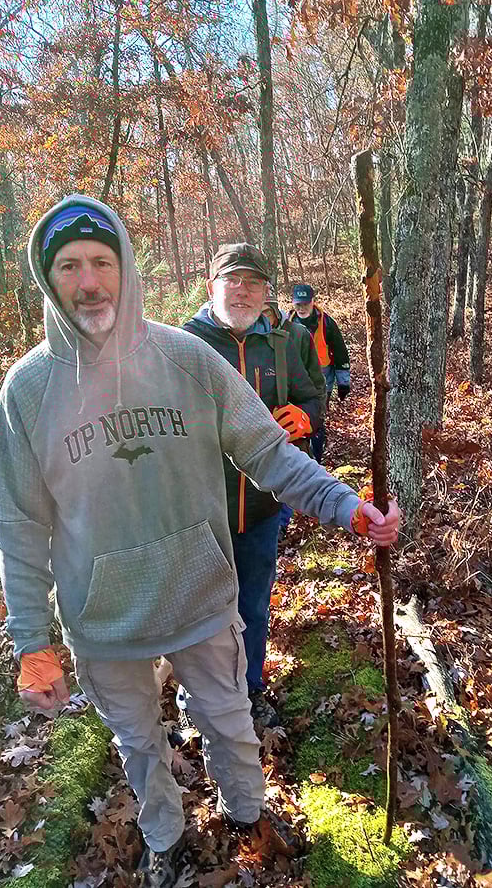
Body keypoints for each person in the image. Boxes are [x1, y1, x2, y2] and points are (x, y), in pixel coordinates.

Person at [0, 195, 400, 888]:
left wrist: (346, 506)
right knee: (139, 745)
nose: (88, 281)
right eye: (69, 266)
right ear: (47, 277)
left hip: (200, 593)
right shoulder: (27, 392)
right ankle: (165, 835)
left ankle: (246, 814)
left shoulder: (188, 362)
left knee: (230, 719)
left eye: (100, 261)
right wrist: (32, 641)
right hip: (103, 618)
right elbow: (19, 525)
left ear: (124, 268)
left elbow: (269, 453)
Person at [182, 245, 322, 728]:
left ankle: (248, 692)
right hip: (199, 514)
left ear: (266, 294)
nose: (242, 290)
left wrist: (306, 416)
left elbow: (311, 393)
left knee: (253, 604)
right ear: (211, 287)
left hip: (263, 506)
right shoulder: (184, 345)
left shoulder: (285, 342)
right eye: (232, 280)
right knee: (199, 612)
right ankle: (197, 701)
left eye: (254, 282)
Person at [262, 297, 326, 539]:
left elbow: (315, 385)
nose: (262, 318)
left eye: (267, 312)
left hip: (291, 426)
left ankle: (281, 522)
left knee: (289, 470)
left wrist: (309, 418)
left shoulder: (296, 335)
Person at [290, 284, 351, 463]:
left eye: (305, 304)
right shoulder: (286, 323)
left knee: (317, 418)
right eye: (298, 305)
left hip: (323, 381)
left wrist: (343, 383)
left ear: (313, 302)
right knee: (296, 415)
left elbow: (340, 353)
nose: (301, 309)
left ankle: (316, 457)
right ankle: (300, 454)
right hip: (295, 379)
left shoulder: (327, 323)